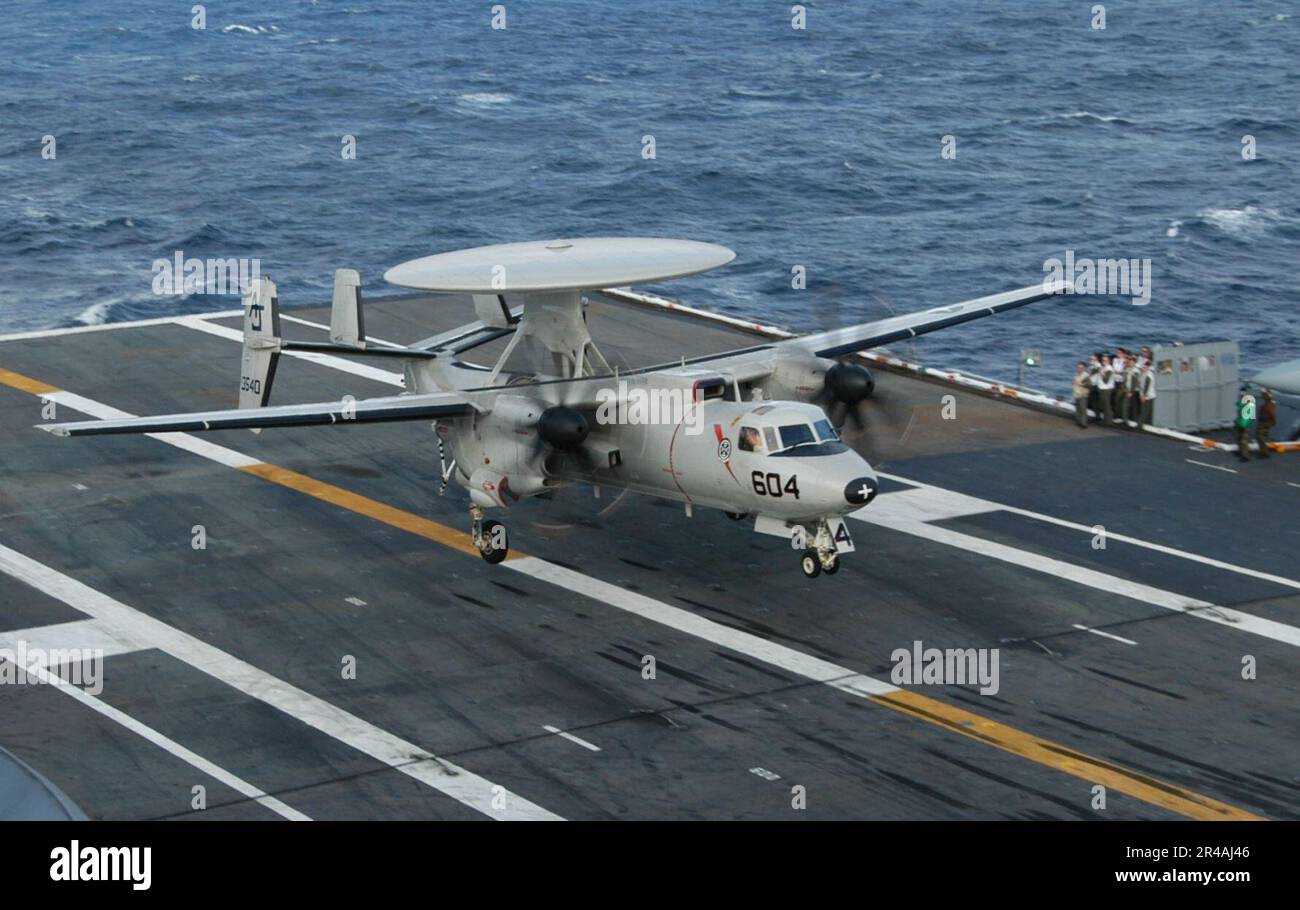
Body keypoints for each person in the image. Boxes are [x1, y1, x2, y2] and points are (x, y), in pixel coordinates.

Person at [1234, 385, 1256, 462]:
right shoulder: (1243, 399)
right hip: (1240, 422)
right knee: (1239, 438)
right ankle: (1241, 452)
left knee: (1244, 440)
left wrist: (1243, 423)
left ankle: (1246, 456)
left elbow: (1248, 415)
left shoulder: (1249, 402)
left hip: (1244, 424)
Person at [1257, 388, 1276, 459]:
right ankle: (1263, 452)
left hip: (1265, 422)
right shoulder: (1270, 403)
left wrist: (1273, 421)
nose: (1262, 396)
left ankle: (1264, 453)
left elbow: (1272, 413)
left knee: (1260, 437)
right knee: (1263, 437)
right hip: (1266, 422)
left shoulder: (1268, 404)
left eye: (1264, 395)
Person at [1137, 358, 1156, 429]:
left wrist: (1144, 396)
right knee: (1146, 410)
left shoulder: (1148, 375)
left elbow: (1147, 386)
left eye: (1145, 367)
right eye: (1143, 367)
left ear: (1148, 367)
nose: (1143, 368)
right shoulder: (1144, 374)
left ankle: (1141, 424)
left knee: (1145, 410)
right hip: (1146, 395)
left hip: (1148, 395)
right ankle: (1146, 423)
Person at [1097, 354, 1115, 424]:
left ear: (1109, 361)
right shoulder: (1104, 367)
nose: (1103, 361)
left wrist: (1101, 372)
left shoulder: (1109, 369)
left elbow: (1106, 380)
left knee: (1107, 405)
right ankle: (1105, 419)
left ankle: (1109, 420)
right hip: (1102, 388)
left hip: (1107, 389)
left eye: (1105, 360)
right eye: (1102, 360)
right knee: (1104, 405)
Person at [1072, 361, 1090, 428]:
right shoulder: (1076, 374)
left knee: (1083, 410)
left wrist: (1081, 384)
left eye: (1081, 368)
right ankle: (1079, 421)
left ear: (1084, 368)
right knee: (1078, 409)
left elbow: (1089, 384)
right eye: (1078, 367)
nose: (1079, 369)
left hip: (1083, 394)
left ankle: (1084, 424)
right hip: (1077, 393)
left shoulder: (1086, 376)